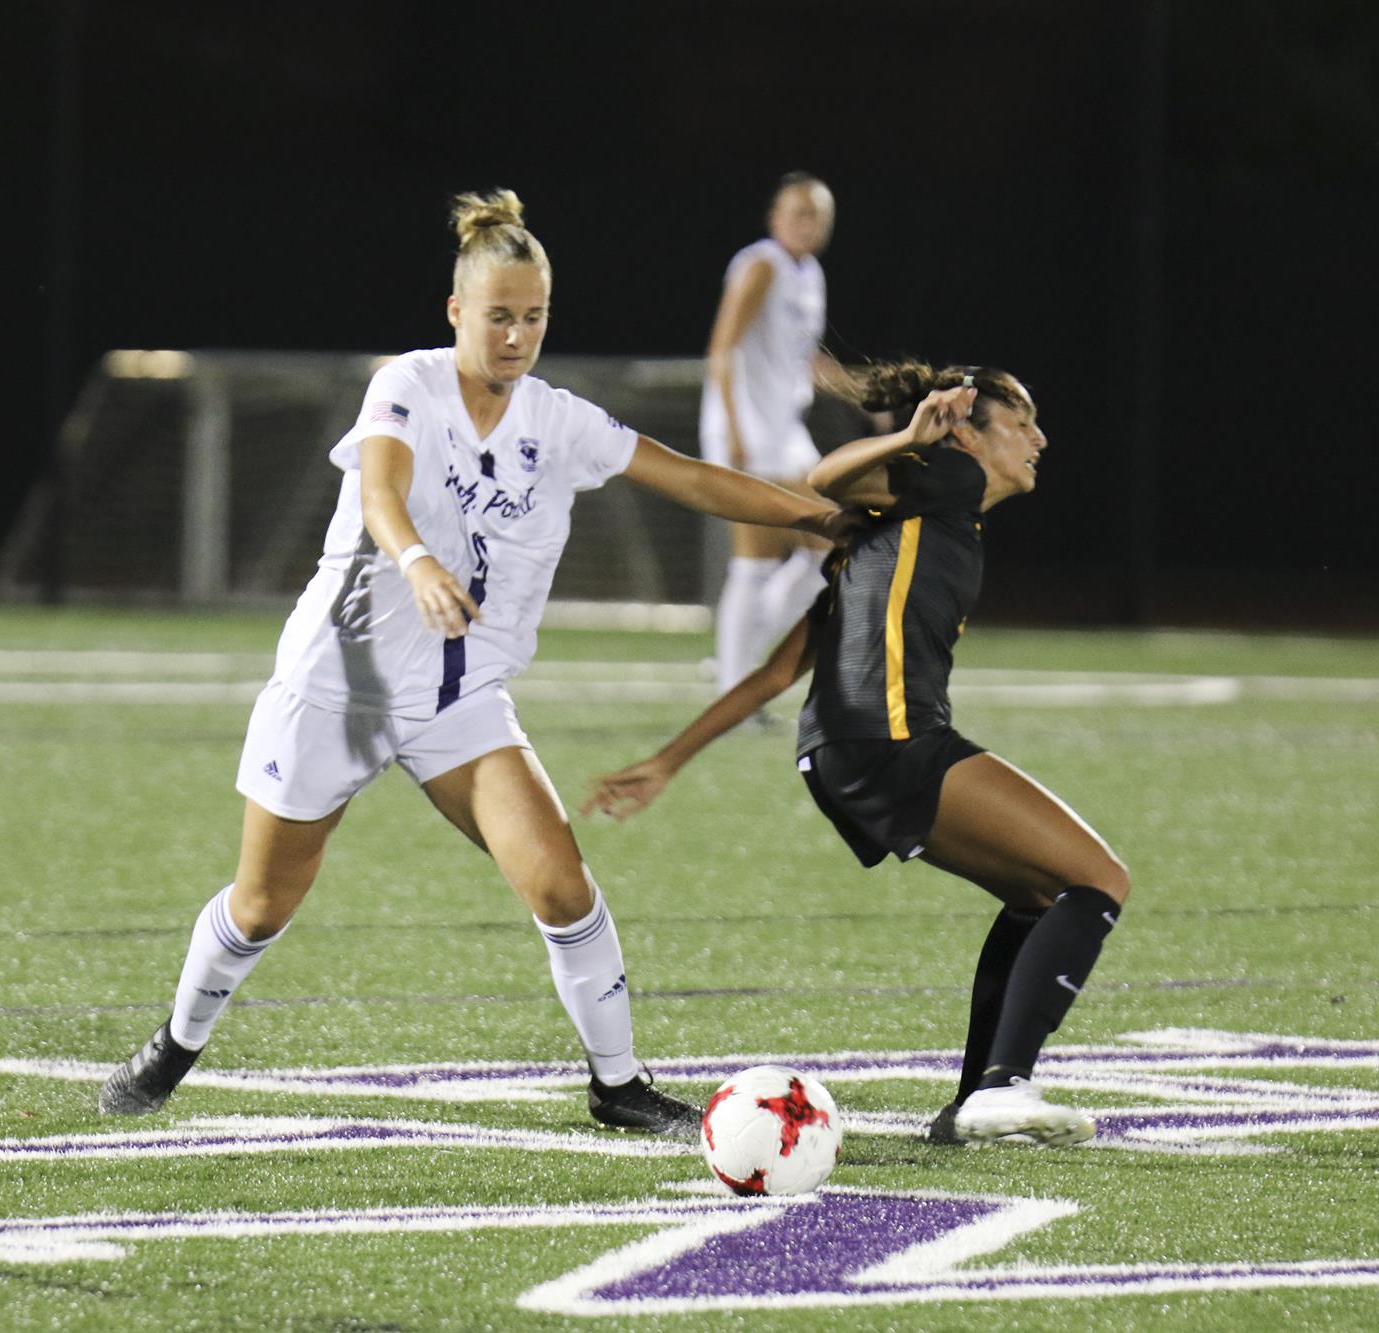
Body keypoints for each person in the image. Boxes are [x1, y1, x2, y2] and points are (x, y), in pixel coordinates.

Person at [98, 189, 853, 1135]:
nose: (517, 335)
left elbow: (696, 479)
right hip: (339, 687)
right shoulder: (407, 385)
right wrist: (416, 562)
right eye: (499, 315)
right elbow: (381, 491)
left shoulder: (558, 421)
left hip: (458, 698)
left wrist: (830, 518)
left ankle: (618, 1084)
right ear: (456, 310)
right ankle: (176, 1043)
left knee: (561, 883)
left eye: (534, 316)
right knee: (261, 905)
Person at [585, 361, 1129, 1147]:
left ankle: (978, 1100)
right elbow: (826, 477)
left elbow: (775, 673)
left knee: (1040, 894)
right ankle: (1002, 1083)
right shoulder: (945, 479)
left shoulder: (898, 529)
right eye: (1022, 422)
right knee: (1098, 877)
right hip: (888, 739)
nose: (1039, 439)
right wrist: (910, 437)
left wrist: (669, 759)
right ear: (968, 434)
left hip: (843, 751)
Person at [700, 172, 863, 711]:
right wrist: (734, 430)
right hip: (747, 429)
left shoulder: (809, 274)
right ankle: (733, 685)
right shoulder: (761, 265)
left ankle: (738, 659)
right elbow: (723, 348)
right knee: (756, 558)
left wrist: (861, 393)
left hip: (786, 430)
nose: (808, 223)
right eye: (798, 212)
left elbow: (804, 358)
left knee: (833, 546)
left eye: (818, 214)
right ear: (775, 219)